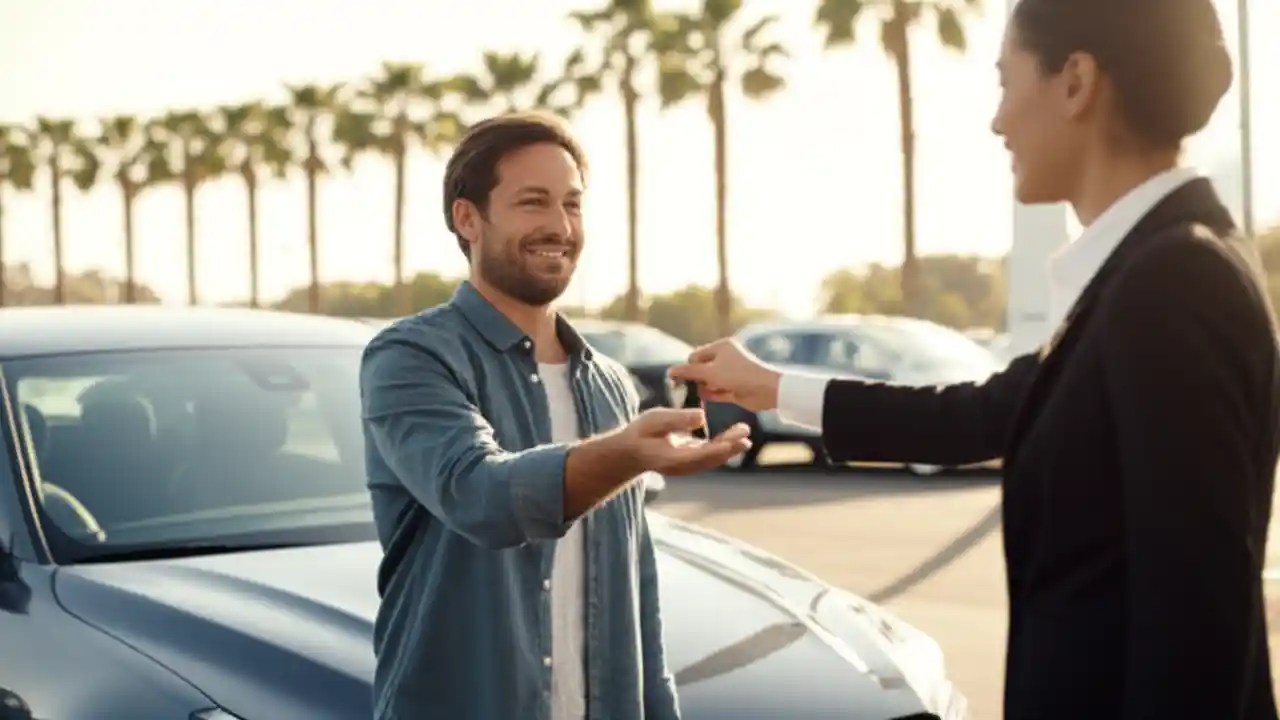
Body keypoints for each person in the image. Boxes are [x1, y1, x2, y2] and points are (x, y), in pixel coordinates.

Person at [671, 0, 1280, 718]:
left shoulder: (1173, 282)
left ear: (1076, 82)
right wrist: (771, 387)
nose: (997, 121)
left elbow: (1196, 628)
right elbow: (982, 415)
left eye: (1004, 81)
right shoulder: (1150, 270)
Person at [360, 111, 749, 720]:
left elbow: (637, 590)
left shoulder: (610, 384)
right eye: (533, 202)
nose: (560, 226)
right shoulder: (411, 357)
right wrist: (624, 453)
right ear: (468, 218)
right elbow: (478, 495)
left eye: (572, 204)